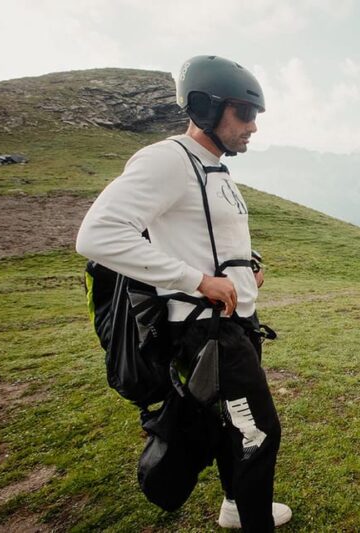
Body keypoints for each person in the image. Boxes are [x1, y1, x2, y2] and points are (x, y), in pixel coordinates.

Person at [76, 55, 291, 531]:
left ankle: (235, 505)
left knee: (231, 425)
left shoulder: (213, 168)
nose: (253, 126)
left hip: (234, 325)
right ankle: (254, 520)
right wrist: (197, 281)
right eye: (244, 113)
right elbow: (97, 235)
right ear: (206, 108)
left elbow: (208, 243)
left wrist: (244, 273)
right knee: (259, 432)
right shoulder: (168, 160)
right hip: (205, 333)